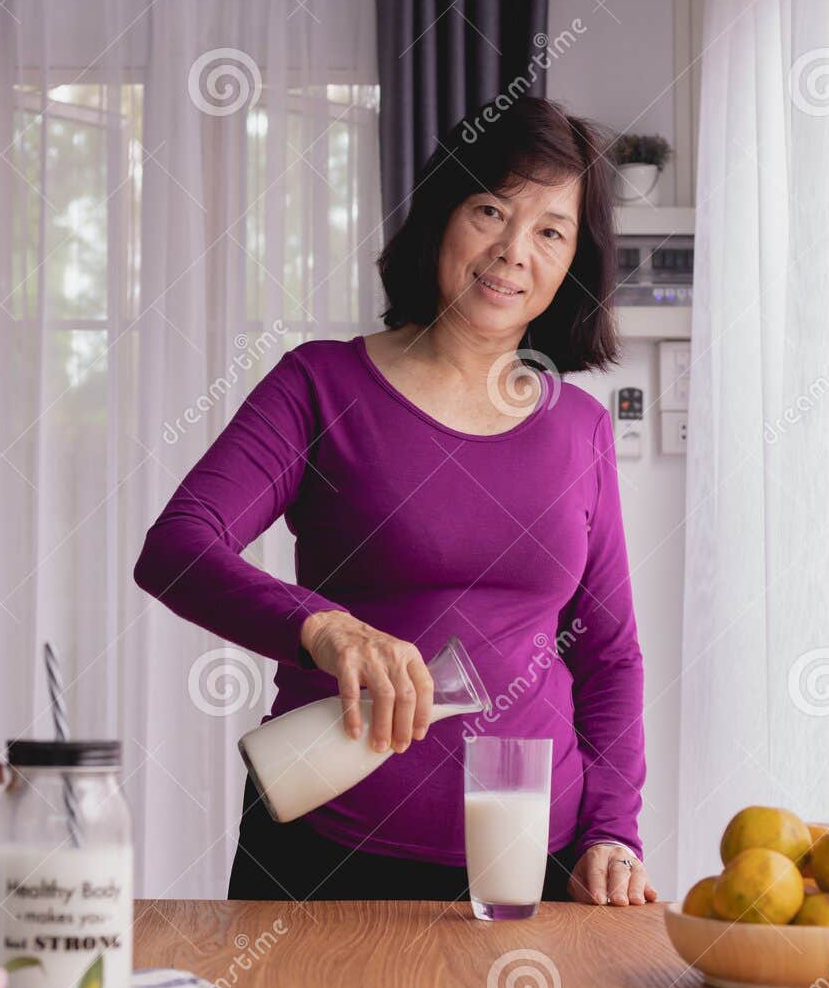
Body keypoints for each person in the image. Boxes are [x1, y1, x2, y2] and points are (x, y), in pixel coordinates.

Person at [135, 95, 654, 907]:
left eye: (550, 230)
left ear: (572, 260)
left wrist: (614, 829)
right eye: (491, 209)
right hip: (323, 849)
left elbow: (610, 655)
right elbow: (177, 549)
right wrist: (324, 627)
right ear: (441, 218)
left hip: (535, 860)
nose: (514, 252)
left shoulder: (580, 428)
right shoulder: (321, 385)